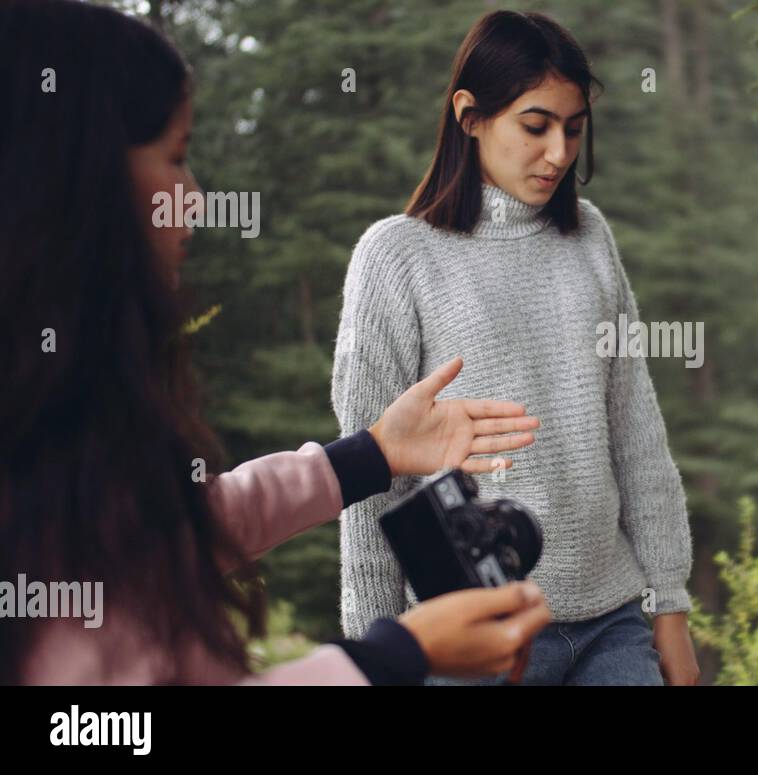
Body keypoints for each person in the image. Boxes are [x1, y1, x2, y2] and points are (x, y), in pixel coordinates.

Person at [0, 0, 550, 685]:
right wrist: (392, 657)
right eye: (176, 157)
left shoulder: (46, 441)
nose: (193, 197)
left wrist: (370, 455)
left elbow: (163, 533)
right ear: (73, 182)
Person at [333, 10, 699, 685]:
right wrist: (376, 658)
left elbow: (636, 428)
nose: (559, 152)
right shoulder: (396, 257)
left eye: (574, 129)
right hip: (472, 634)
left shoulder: (589, 237)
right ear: (469, 116)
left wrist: (669, 604)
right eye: (536, 126)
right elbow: (371, 486)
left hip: (612, 623)